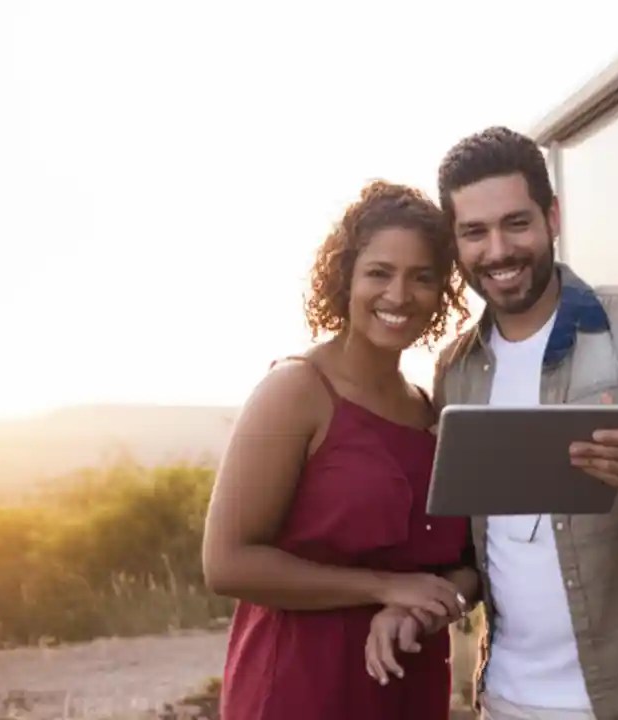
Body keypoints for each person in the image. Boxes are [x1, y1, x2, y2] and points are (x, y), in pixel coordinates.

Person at [369, 126, 618, 720]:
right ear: (456, 242)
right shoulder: (455, 371)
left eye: (516, 223)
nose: (498, 251)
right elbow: (474, 550)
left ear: (552, 217)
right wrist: (420, 603)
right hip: (513, 699)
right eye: (475, 232)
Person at [202, 179, 481, 720]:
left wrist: (418, 610)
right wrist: (384, 588)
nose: (399, 295)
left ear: (442, 292)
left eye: (422, 277)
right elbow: (227, 564)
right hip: (301, 688)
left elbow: (467, 564)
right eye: (379, 272)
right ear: (345, 277)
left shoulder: (432, 409)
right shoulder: (296, 391)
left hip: (408, 683)